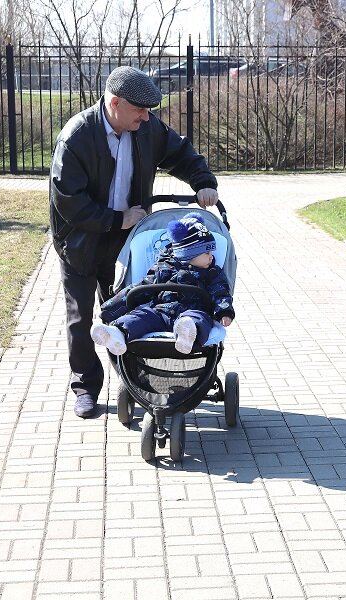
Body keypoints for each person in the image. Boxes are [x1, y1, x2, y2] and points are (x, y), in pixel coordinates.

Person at [49, 66, 219, 419]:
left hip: (126, 240)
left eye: (149, 110)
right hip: (80, 241)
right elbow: (68, 200)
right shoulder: (77, 137)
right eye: (140, 109)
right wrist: (115, 218)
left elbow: (183, 154)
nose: (147, 116)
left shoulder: (146, 129)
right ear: (115, 103)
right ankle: (85, 386)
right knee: (81, 318)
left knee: (129, 308)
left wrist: (203, 180)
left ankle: (134, 382)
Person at [91, 213, 234, 355]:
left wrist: (224, 311)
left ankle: (186, 334)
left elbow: (220, 291)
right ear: (189, 254)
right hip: (160, 311)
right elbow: (142, 287)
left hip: (193, 310)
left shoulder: (212, 272)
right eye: (207, 252)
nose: (211, 256)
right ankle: (118, 333)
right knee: (141, 315)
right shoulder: (164, 267)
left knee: (199, 319)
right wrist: (112, 308)